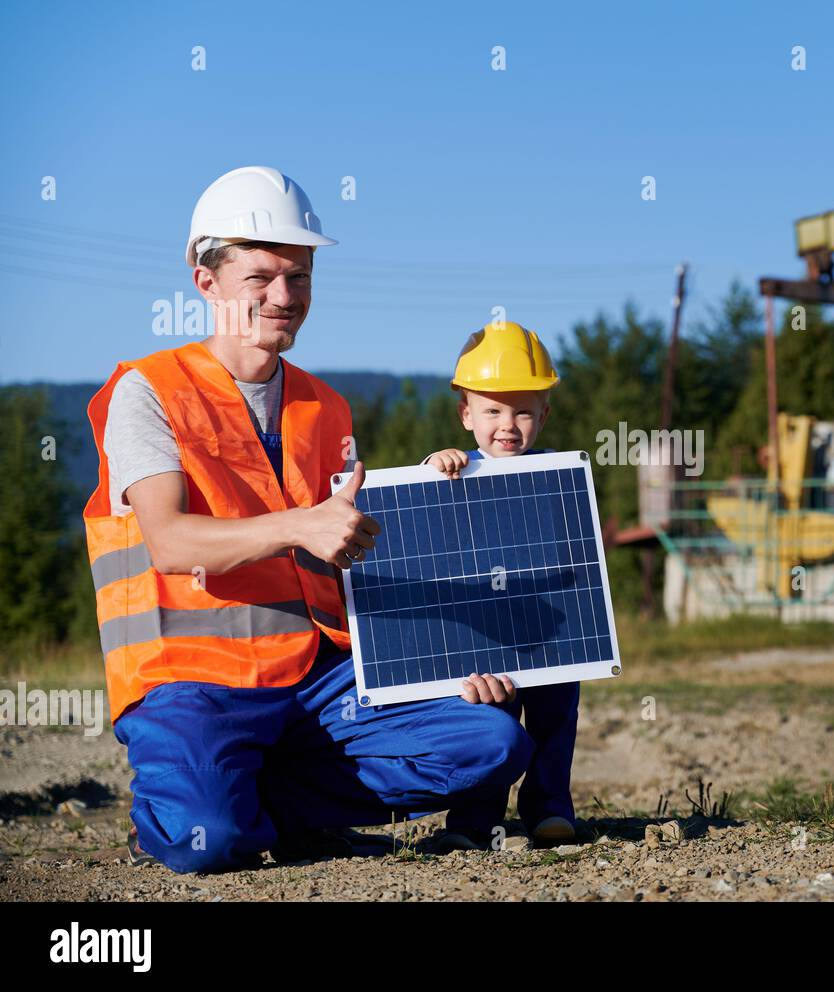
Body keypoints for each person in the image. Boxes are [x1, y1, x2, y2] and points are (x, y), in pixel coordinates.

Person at [85, 166, 530, 873]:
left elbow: (349, 561)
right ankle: (217, 810)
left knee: (491, 741)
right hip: (188, 684)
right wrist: (299, 524)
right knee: (212, 842)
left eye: (299, 276)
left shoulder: (326, 408)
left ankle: (269, 804)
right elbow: (169, 542)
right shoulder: (148, 392)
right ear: (206, 282)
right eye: (259, 278)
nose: (284, 297)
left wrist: (443, 663)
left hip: (315, 682)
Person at [423, 321, 581, 847]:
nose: (507, 424)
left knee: (555, 720)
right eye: (491, 410)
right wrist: (436, 463)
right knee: (490, 719)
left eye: (522, 411)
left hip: (548, 623)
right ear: (466, 415)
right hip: (485, 633)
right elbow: (422, 514)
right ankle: (472, 822)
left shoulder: (558, 475)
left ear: (544, 416)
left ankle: (549, 809)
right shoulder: (456, 470)